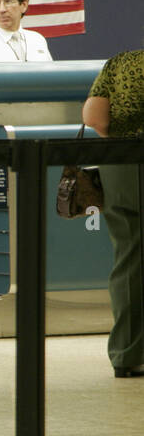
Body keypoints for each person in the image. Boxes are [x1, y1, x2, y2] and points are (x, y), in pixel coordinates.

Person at [82, 50, 144, 377]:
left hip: (120, 164)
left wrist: (121, 144)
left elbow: (94, 119)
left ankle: (128, 354)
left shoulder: (121, 63)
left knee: (130, 255)